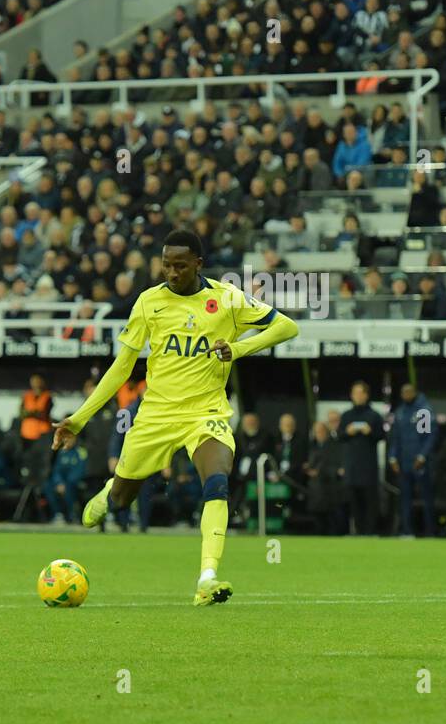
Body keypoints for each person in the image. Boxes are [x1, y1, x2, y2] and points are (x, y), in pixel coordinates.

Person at [52, 229, 299, 605]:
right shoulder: (149, 303)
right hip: (156, 415)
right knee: (120, 500)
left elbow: (286, 326)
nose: (171, 271)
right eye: (166, 264)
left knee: (217, 481)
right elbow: (121, 368)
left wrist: (237, 348)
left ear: (198, 263)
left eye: (180, 265)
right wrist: (79, 419)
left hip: (206, 412)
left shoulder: (227, 299)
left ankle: (207, 577)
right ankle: (111, 490)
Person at [388, 383, 437, 537]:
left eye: (409, 392)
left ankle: (430, 531)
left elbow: (428, 437)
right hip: (404, 461)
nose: (406, 394)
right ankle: (407, 531)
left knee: (426, 498)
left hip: (420, 462)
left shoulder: (422, 411)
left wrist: (422, 456)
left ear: (415, 393)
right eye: (403, 392)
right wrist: (393, 456)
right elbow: (395, 438)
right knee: (405, 498)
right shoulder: (400, 412)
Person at [340, 381, 386, 536]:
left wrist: (370, 432)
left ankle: (371, 531)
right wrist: (348, 432)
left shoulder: (374, 416)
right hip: (352, 467)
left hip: (368, 467)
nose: (358, 396)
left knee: (370, 501)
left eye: (361, 393)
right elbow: (340, 436)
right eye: (355, 393)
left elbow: (382, 436)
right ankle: (358, 532)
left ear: (366, 395)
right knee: (354, 501)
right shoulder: (346, 416)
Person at [19, 373, 54, 507]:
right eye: (33, 380)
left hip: (43, 436)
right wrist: (33, 413)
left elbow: (44, 413)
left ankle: (41, 491)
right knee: (29, 465)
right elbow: (21, 413)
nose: (36, 383)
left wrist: (31, 413)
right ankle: (30, 488)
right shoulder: (26, 396)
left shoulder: (47, 396)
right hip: (27, 437)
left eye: (38, 380)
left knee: (43, 466)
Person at [304, 419, 344, 535]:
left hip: (330, 488)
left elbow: (336, 466)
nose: (319, 434)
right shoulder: (312, 446)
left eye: (321, 431)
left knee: (331, 518)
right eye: (316, 432)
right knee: (318, 517)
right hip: (315, 488)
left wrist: (319, 472)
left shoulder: (335, 446)